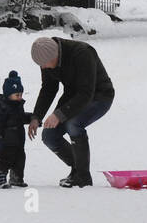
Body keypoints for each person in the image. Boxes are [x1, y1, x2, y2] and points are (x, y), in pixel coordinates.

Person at [28, 36, 115, 188]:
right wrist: (36, 117)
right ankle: (78, 169)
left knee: (73, 124)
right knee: (49, 135)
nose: (43, 68)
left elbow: (86, 93)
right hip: (73, 97)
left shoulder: (83, 53)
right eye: (40, 65)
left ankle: (83, 176)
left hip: (99, 96)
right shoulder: (46, 58)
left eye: (45, 64)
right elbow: (49, 89)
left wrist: (59, 114)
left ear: (55, 55)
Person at [0, 71, 33, 189]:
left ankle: (17, 178)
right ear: (8, 94)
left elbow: (20, 118)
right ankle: (2, 179)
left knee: (20, 159)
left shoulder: (17, 105)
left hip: (18, 139)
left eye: (21, 95)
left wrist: (32, 118)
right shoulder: (0, 107)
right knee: (6, 159)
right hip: (5, 140)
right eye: (17, 95)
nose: (20, 97)